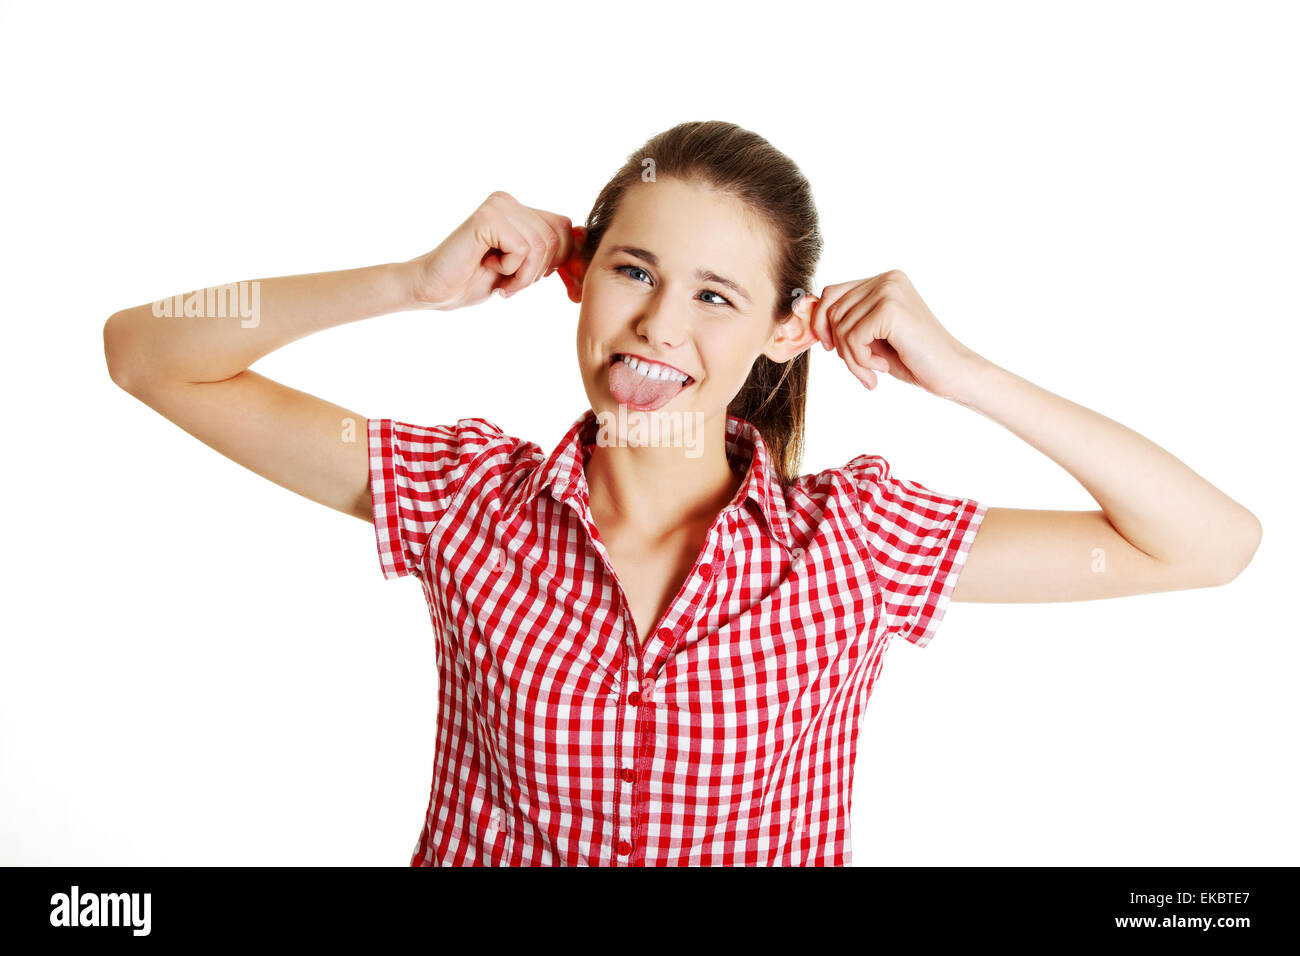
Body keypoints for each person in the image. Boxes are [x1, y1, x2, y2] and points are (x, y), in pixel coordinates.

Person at [102, 120, 1262, 866]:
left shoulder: (854, 545)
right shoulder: (467, 498)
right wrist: (411, 280)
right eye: (634, 269)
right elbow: (146, 352)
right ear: (579, 277)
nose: (657, 323)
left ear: (782, 330)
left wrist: (966, 375)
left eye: (716, 294)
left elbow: (1208, 544)